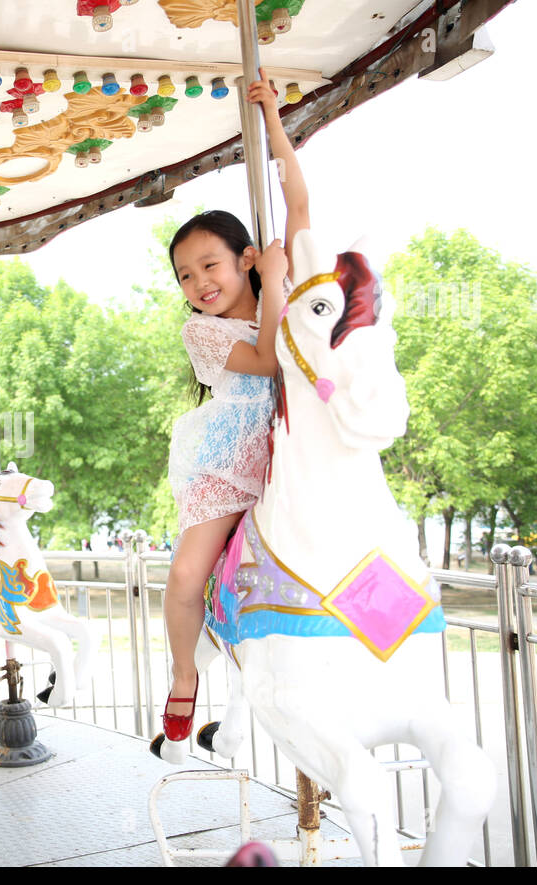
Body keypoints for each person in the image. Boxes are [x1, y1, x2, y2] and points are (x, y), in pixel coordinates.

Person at [158, 69, 310, 754]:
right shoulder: (206, 334)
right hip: (233, 458)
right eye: (186, 275)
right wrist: (273, 282)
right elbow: (275, 356)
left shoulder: (277, 279)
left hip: (294, 446)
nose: (200, 284)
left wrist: (273, 121)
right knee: (188, 573)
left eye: (211, 266)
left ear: (243, 257)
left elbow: (298, 206)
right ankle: (184, 669)